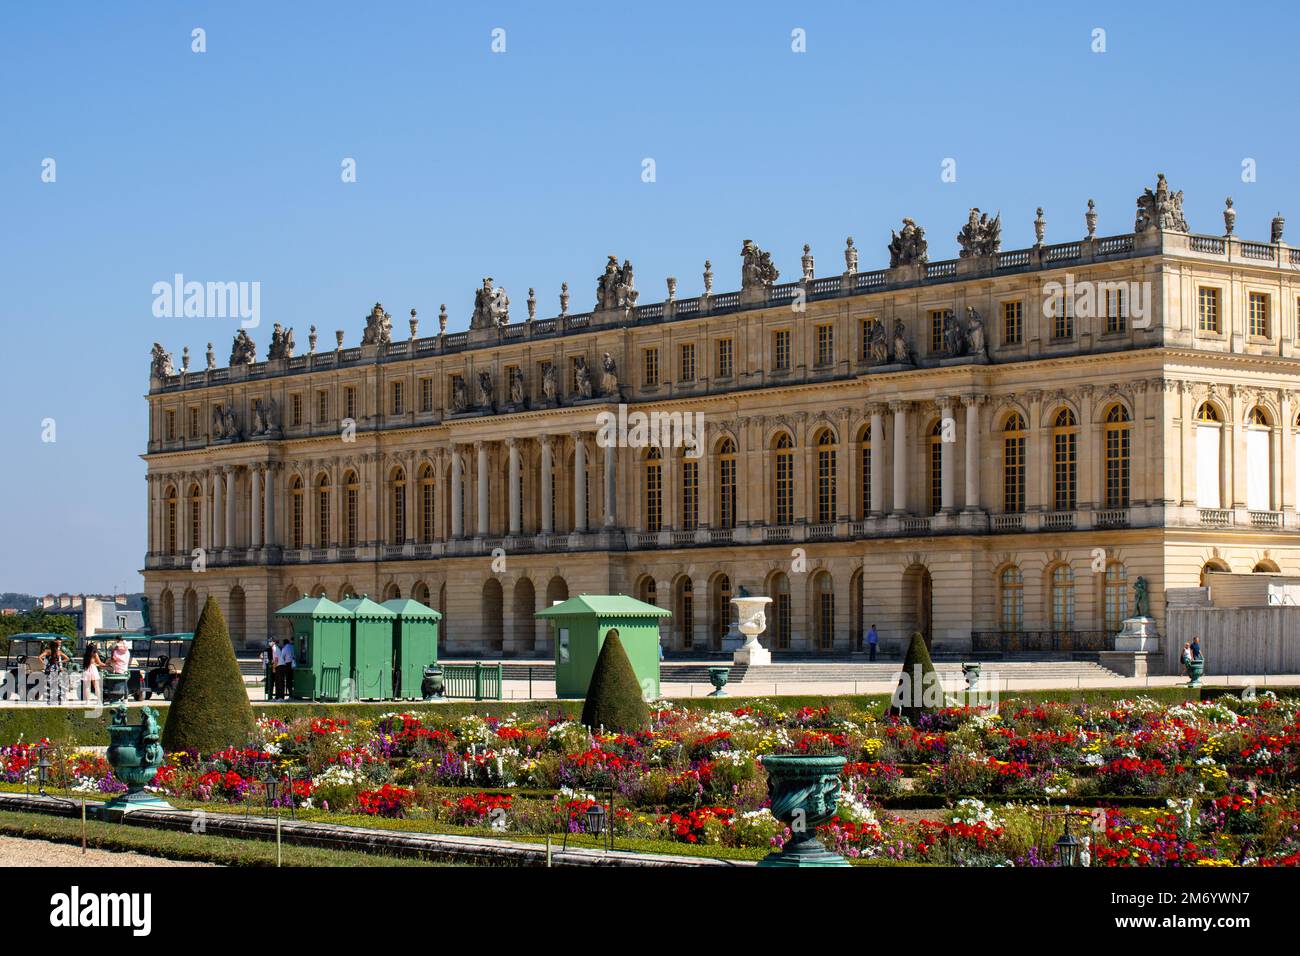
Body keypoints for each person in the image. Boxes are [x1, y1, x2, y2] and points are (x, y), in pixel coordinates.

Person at [37, 638, 71, 705]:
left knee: (49, 685)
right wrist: (60, 661)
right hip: (56, 669)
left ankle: (49, 700)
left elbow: (39, 657)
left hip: (49, 669)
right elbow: (67, 658)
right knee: (57, 685)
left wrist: (44, 663)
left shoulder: (47, 651)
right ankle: (58, 700)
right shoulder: (58, 652)